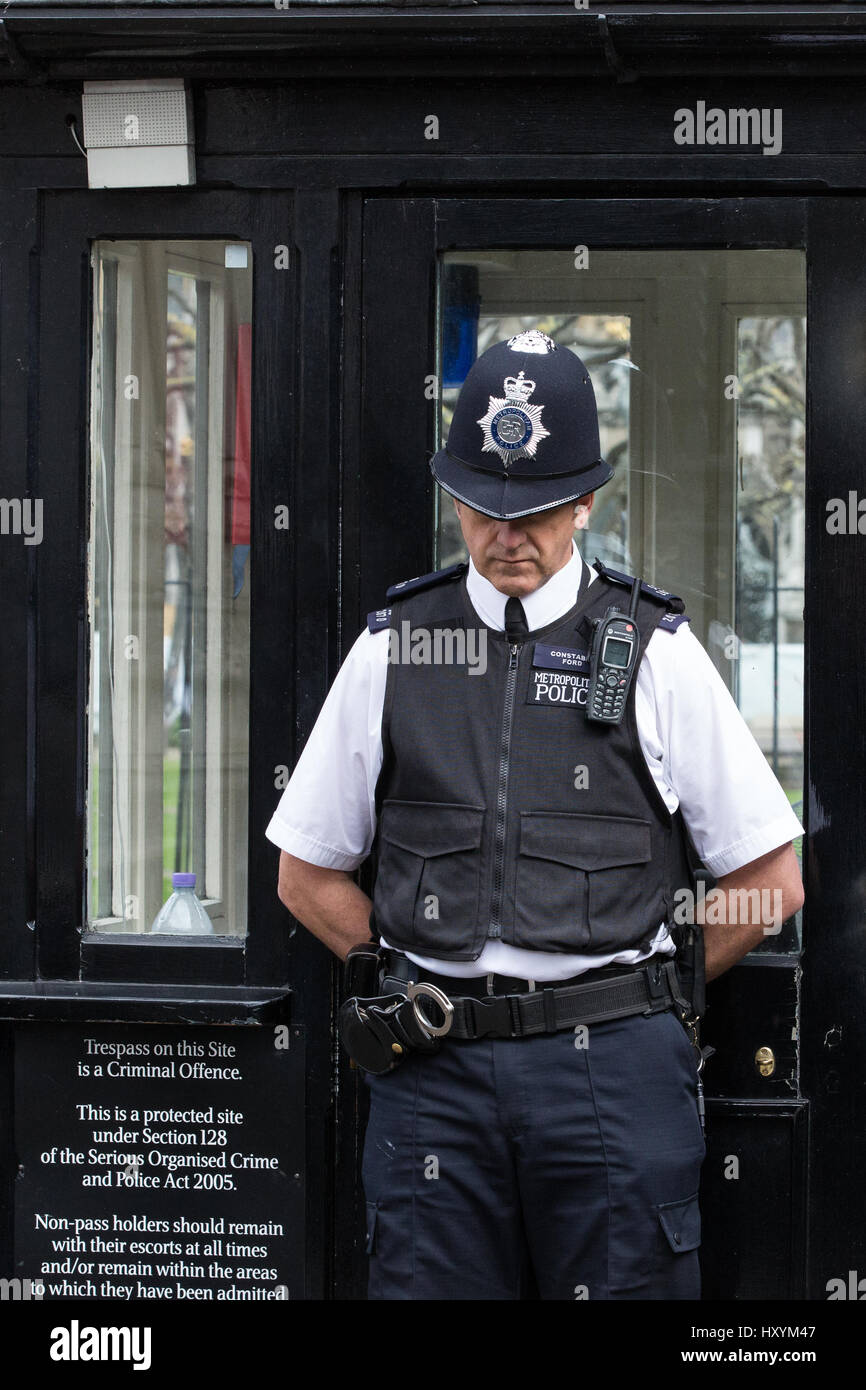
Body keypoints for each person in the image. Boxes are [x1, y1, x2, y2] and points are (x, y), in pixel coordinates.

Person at [266, 329, 804, 1300]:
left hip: (610, 1082)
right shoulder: (394, 648)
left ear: (586, 499)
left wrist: (657, 989)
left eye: (538, 508)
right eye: (483, 505)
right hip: (434, 1076)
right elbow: (305, 871)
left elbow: (767, 880)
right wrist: (402, 974)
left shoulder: (653, 652)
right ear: (454, 495)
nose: (508, 534)